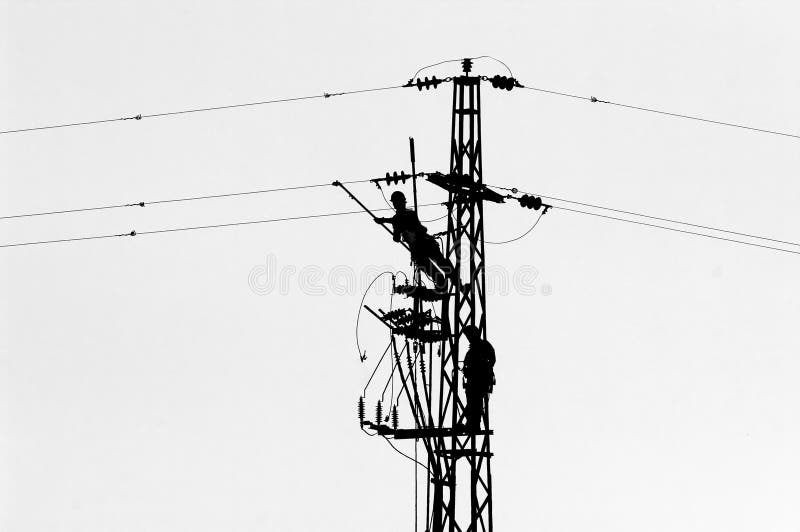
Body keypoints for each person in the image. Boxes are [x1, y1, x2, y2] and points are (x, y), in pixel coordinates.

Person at [374, 191, 461, 292]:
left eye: (396, 202)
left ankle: (453, 281)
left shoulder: (407, 215)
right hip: (421, 246)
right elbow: (396, 238)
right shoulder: (400, 218)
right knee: (434, 266)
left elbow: (403, 221)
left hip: (423, 245)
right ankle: (445, 282)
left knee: (438, 264)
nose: (395, 205)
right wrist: (392, 226)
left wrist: (385, 221)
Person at [461, 325, 496, 432]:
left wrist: (481, 368)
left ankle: (474, 424)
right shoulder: (475, 348)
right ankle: (472, 423)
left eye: (468, 335)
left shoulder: (482, 345)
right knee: (473, 401)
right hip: (475, 379)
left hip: (480, 380)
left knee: (475, 402)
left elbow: (492, 360)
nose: (468, 337)